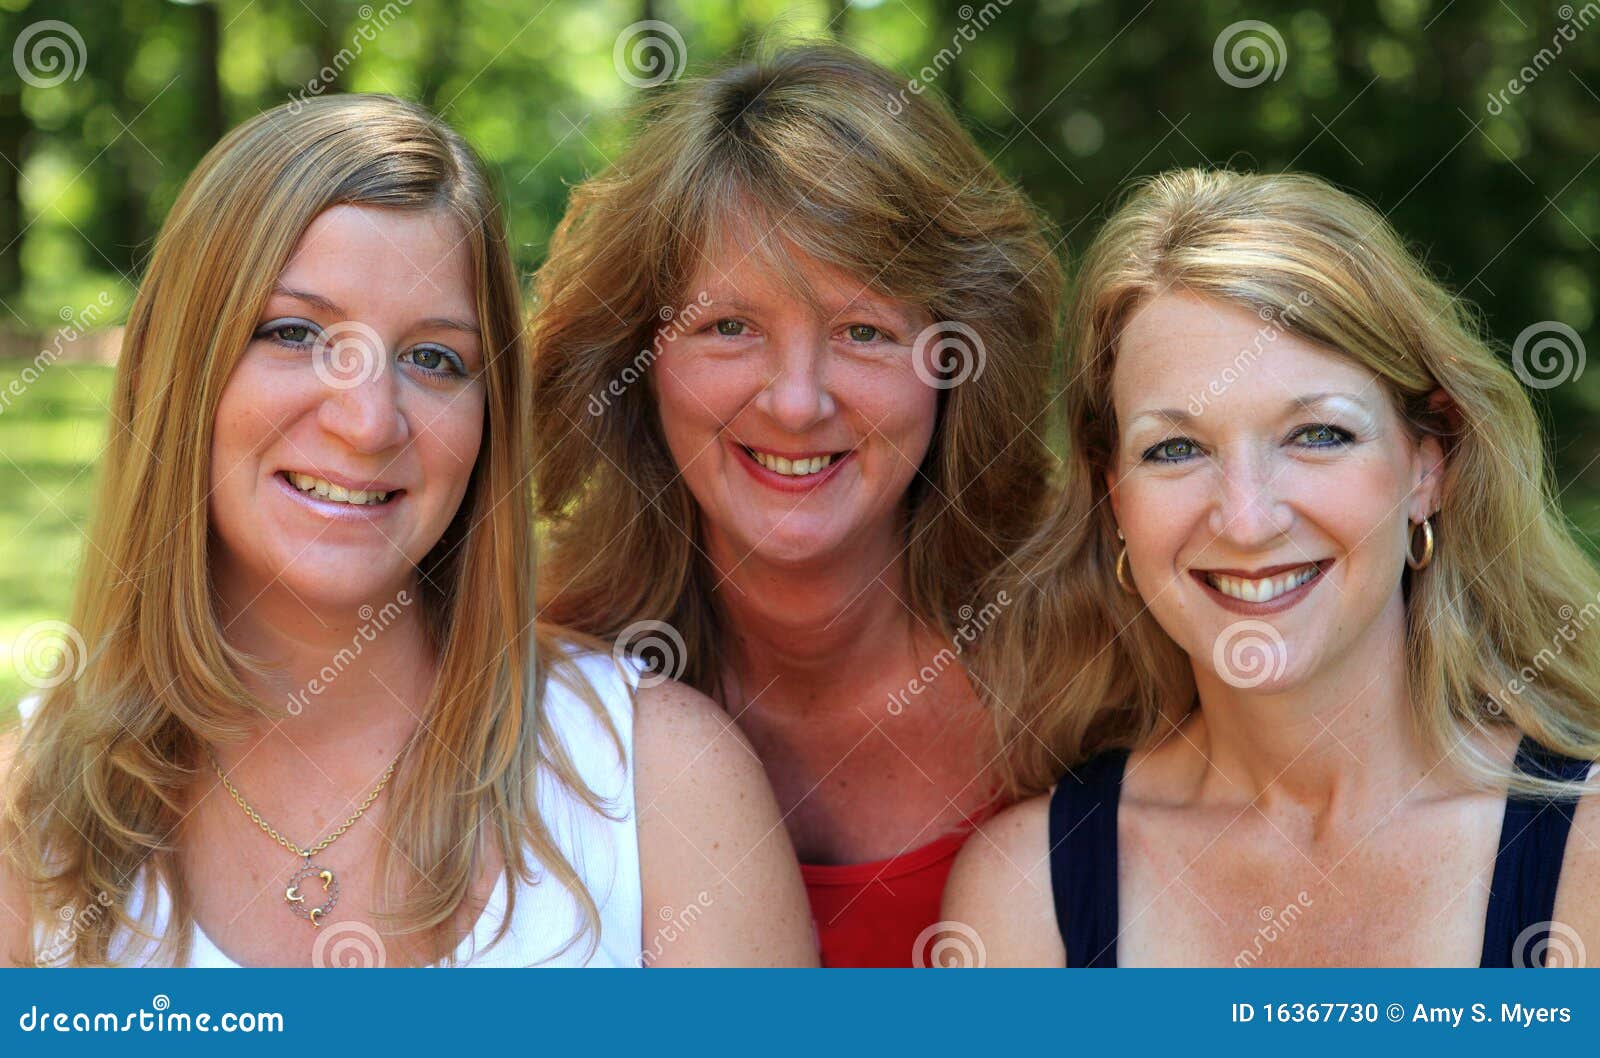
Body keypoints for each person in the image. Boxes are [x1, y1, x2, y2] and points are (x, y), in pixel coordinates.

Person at [0, 94, 815, 968]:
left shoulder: (660, 783)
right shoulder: (32, 820)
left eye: (434, 358)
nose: (369, 421)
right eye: (295, 332)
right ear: (178, 372)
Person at [944, 168, 1600, 967]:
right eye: (1175, 449)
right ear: (1113, 496)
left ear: (1430, 465)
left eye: (1317, 435)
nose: (1248, 520)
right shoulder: (1028, 891)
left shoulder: (1584, 854)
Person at [529, 43, 1063, 966]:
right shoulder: (551, 710)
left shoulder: (1100, 669)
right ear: (634, 363)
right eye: (728, 326)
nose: (796, 401)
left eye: (864, 331)